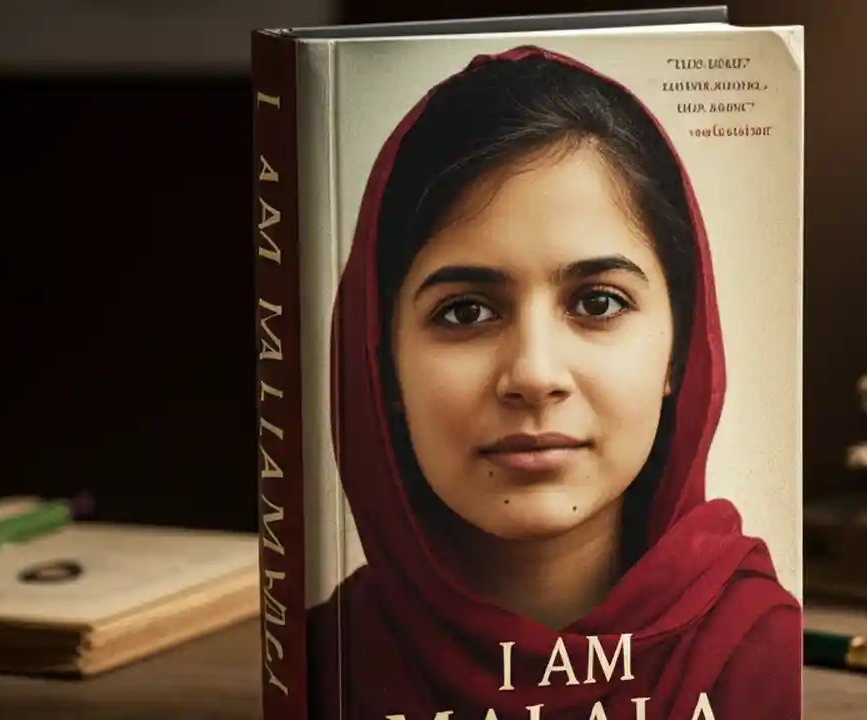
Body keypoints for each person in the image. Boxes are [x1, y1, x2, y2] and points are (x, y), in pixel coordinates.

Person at [324, 45, 800, 719]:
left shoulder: (758, 654)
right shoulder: (323, 665)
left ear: (680, 352)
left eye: (597, 303)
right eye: (466, 312)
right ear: (383, 365)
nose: (535, 376)